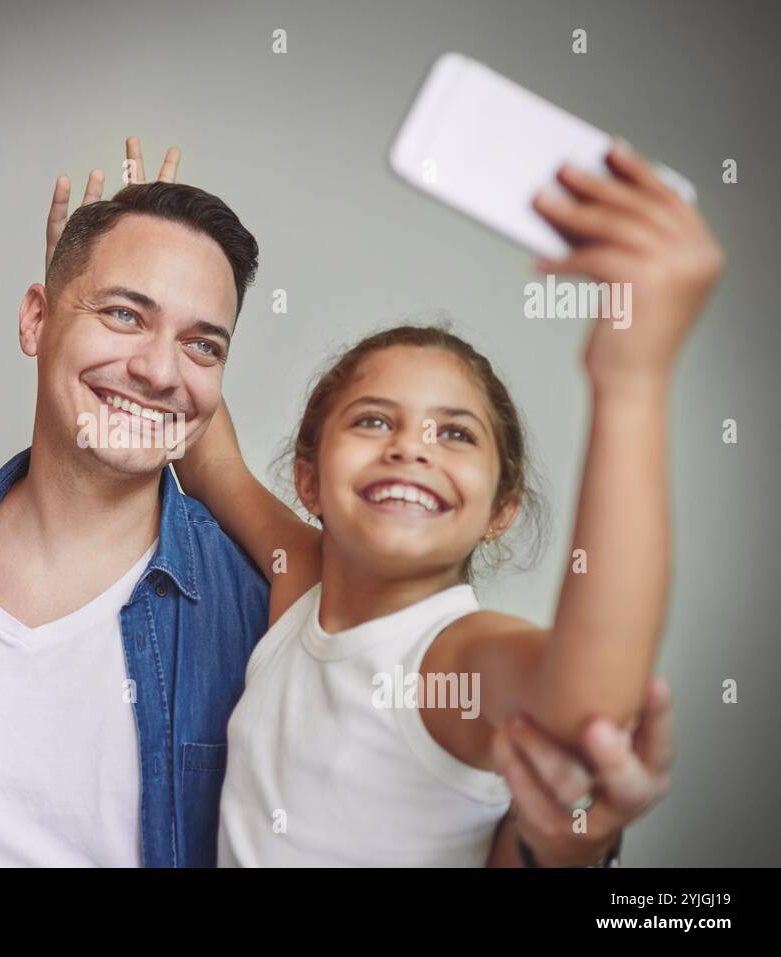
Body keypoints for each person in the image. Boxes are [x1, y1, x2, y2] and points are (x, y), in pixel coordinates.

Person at [0, 140, 677, 867]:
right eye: (126, 316)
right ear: (34, 318)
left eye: (202, 341)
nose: (160, 366)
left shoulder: (275, 600)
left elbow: (569, 705)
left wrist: (575, 835)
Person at [173, 141, 722, 864]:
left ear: (502, 507)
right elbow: (211, 458)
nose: (412, 446)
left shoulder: (453, 658)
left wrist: (632, 380)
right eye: (373, 419)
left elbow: (592, 699)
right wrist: (151, 259)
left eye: (455, 433)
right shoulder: (298, 582)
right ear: (308, 477)